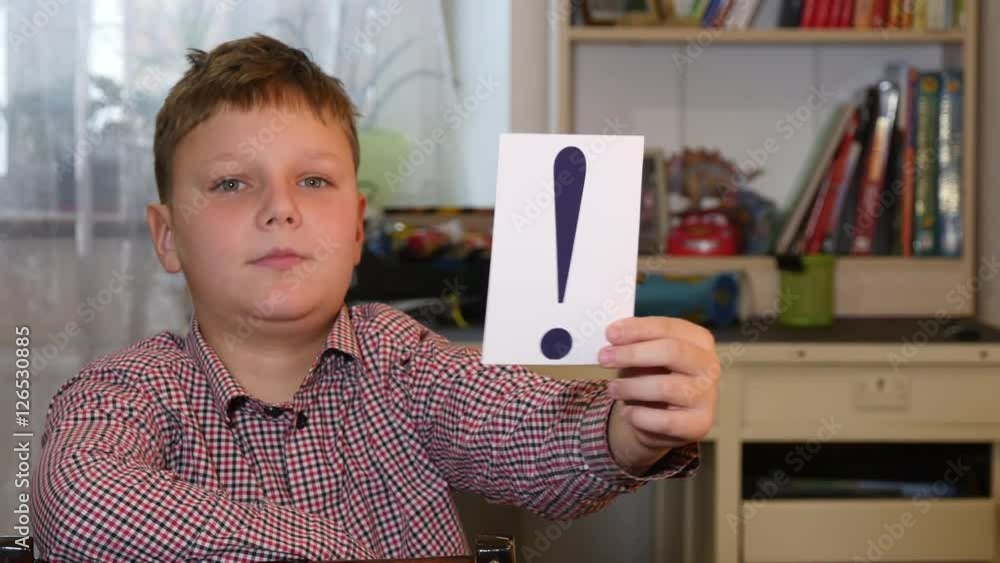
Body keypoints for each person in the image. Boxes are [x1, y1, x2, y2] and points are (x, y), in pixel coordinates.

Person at [32, 34, 720, 562]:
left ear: (358, 227)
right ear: (167, 235)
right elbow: (81, 503)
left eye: (314, 181)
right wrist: (337, 549)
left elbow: (526, 430)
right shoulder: (127, 390)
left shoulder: (405, 361)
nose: (280, 209)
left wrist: (628, 431)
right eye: (231, 183)